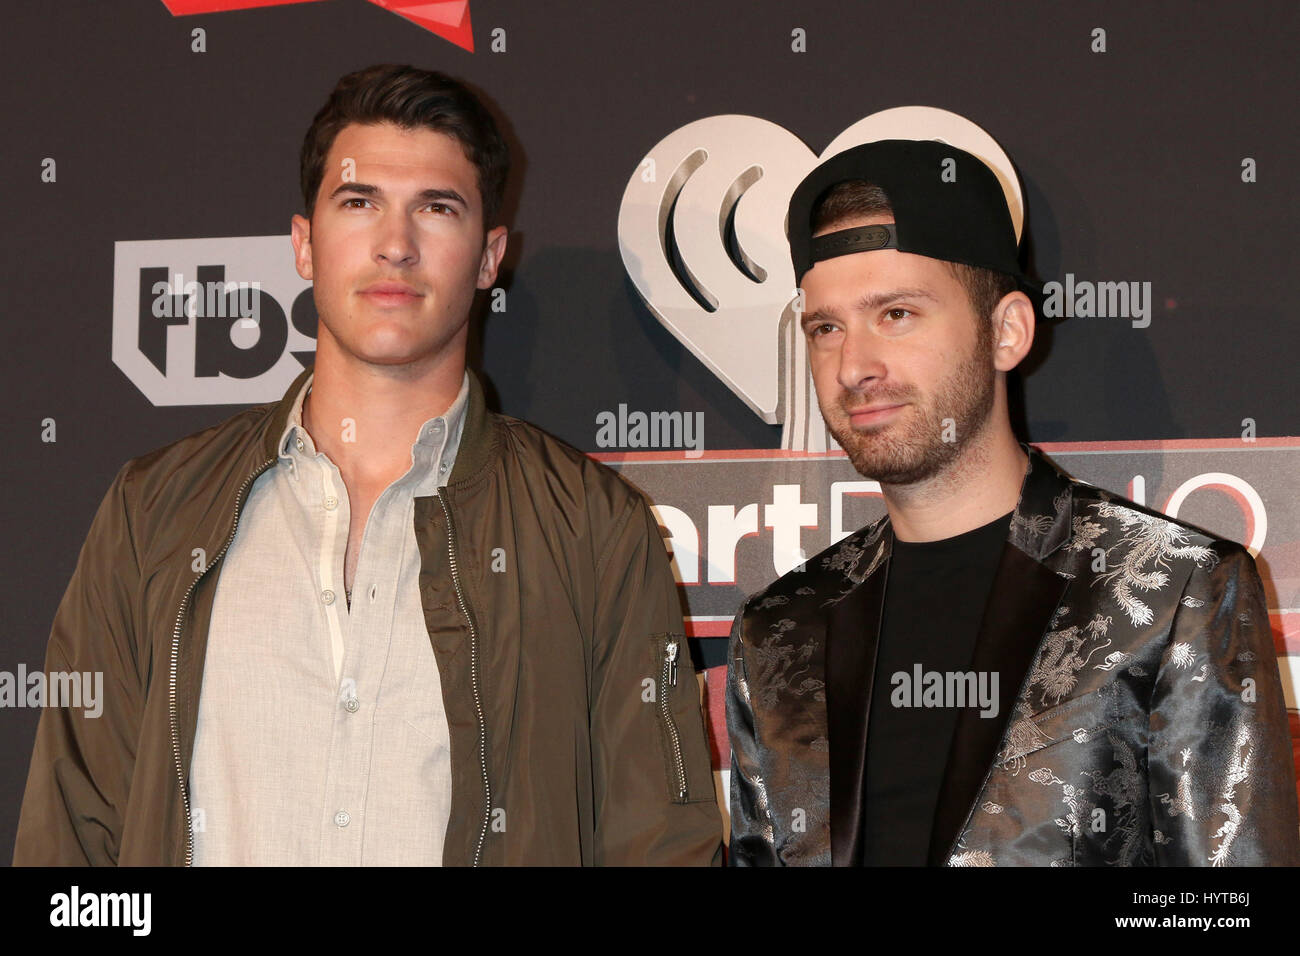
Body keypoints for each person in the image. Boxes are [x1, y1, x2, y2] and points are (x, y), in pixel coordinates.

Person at [14, 64, 722, 866]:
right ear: (304, 245)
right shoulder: (152, 511)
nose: (395, 244)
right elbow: (71, 845)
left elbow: (663, 844)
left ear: (490, 258)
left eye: (436, 207)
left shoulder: (594, 528)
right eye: (359, 203)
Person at [726, 138, 1300, 866]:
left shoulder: (1172, 591)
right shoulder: (778, 629)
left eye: (897, 314)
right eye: (826, 328)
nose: (855, 366)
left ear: (1007, 332)